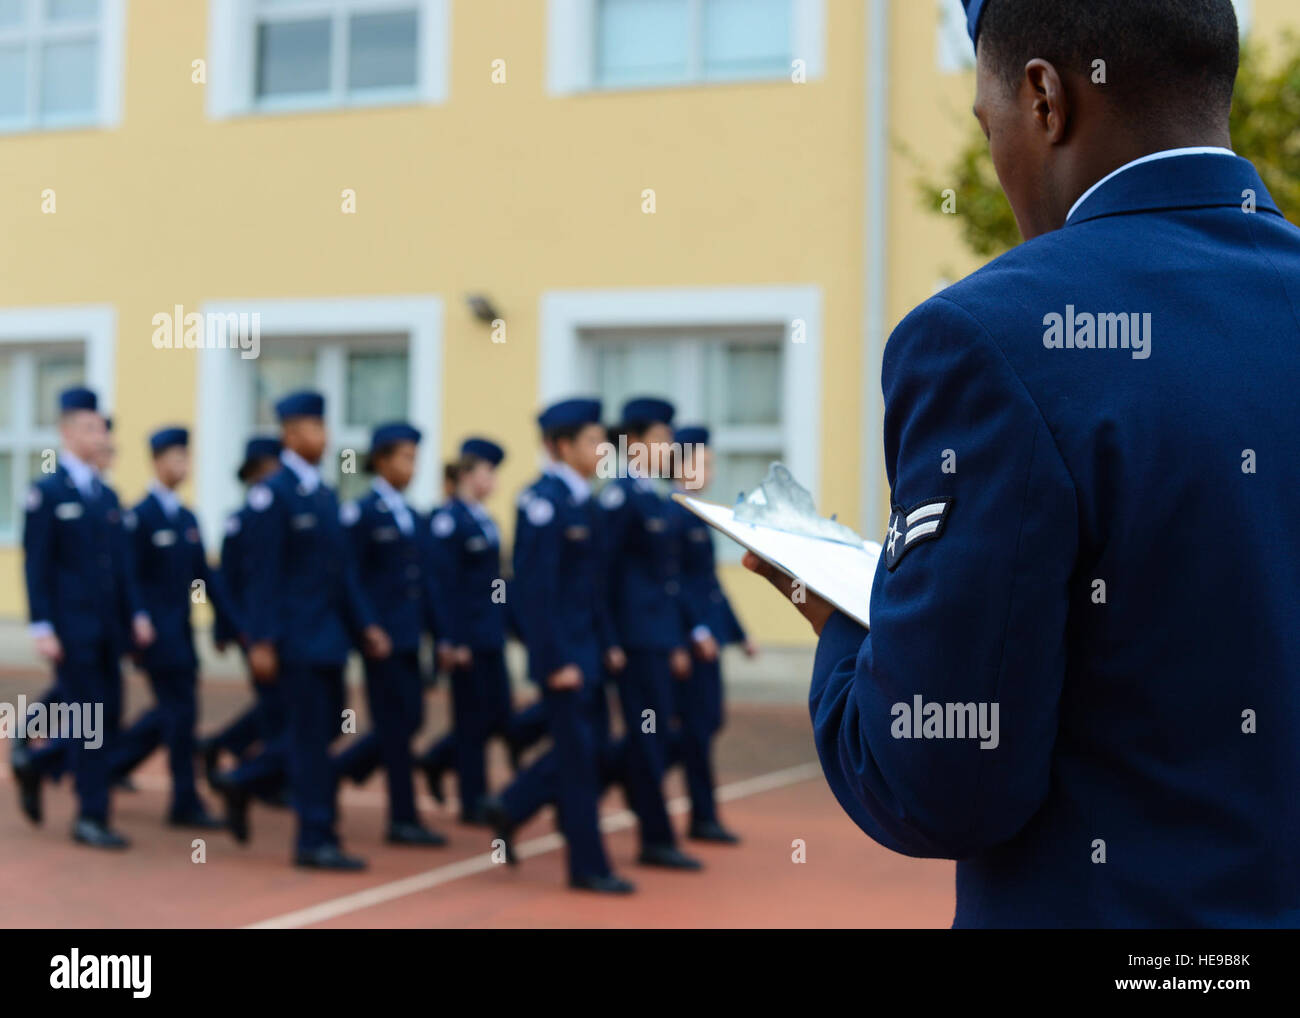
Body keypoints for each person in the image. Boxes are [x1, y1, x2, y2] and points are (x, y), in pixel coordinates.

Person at [748, 0, 1300, 927]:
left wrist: (841, 623)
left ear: (1044, 98)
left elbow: (935, 782)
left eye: (987, 118)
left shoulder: (989, 337)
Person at [482, 399, 634, 894]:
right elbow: (535, 592)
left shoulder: (582, 499)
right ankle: (588, 867)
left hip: (589, 652)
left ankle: (513, 804)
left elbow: (591, 588)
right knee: (577, 763)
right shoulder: (541, 502)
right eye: (592, 440)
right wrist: (552, 662)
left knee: (592, 755)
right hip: (565, 658)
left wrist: (608, 644)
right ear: (561, 446)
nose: (602, 448)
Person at [239, 390, 391, 870]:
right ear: (289, 435)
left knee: (327, 728)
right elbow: (262, 574)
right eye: (312, 429)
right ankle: (314, 836)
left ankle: (249, 782)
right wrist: (260, 639)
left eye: (324, 428)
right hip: (293, 638)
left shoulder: (324, 494)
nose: (322, 438)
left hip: (329, 637)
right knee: (309, 737)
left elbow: (342, 572)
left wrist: (366, 624)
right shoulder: (272, 494)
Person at [12, 387, 154, 848]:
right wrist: (42, 626)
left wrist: (137, 614)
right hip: (71, 629)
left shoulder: (106, 494)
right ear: (68, 432)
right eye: (91, 427)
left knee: (107, 716)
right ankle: (91, 816)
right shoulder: (48, 490)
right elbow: (36, 564)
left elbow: (123, 566)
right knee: (87, 718)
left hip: (109, 629)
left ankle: (39, 763)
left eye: (102, 428)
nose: (100, 436)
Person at [110, 427, 240, 828]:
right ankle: (184, 801)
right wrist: (136, 622)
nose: (184, 466)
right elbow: (128, 576)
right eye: (177, 458)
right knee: (180, 715)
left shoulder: (186, 518)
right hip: (154, 636)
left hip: (181, 634)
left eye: (187, 458)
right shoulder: (140, 517)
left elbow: (205, 578)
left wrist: (227, 623)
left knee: (173, 715)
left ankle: (105, 764)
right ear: (159, 461)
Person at [597, 397, 704, 871]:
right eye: (661, 439)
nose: (669, 447)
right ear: (635, 444)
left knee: (656, 737)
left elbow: (666, 581)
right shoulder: (619, 496)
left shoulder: (651, 497)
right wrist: (611, 640)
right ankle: (655, 838)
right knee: (648, 738)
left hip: (657, 638)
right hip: (634, 641)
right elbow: (601, 574)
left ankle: (544, 791)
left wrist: (675, 639)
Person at [334, 422, 447, 847]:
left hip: (410, 633)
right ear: (380, 460)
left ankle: (339, 771)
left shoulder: (413, 515)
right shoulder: (361, 513)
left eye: (415, 458)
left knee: (410, 719)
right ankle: (402, 817)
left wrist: (440, 635)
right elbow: (352, 577)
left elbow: (426, 581)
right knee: (396, 725)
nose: (412, 467)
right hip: (381, 637)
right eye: (405, 457)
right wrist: (367, 626)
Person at [419, 438, 516, 824]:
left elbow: (498, 581)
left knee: (499, 713)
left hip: (490, 633)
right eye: (487, 472)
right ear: (467, 475)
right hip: (466, 637)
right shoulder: (448, 521)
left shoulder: (485, 519)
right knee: (472, 720)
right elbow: (442, 587)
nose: (493, 480)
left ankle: (437, 758)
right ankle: (472, 800)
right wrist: (449, 638)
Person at [666, 426, 755, 843]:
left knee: (703, 724)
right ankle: (702, 816)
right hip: (688, 643)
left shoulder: (698, 512)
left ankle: (629, 772)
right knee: (695, 729)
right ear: (681, 465)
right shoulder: (675, 512)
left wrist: (739, 633)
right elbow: (672, 583)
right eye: (703, 461)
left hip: (707, 640)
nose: (710, 469)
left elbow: (709, 585)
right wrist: (694, 631)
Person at [199, 437, 285, 792]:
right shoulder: (241, 520)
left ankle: (239, 754)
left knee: (281, 703)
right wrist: (226, 629)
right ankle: (235, 753)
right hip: (252, 626)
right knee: (276, 702)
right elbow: (227, 580)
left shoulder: (281, 512)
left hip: (283, 625)